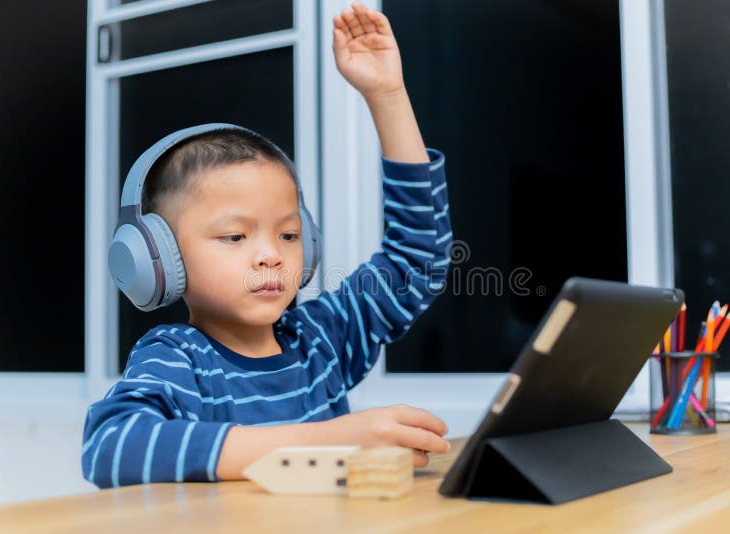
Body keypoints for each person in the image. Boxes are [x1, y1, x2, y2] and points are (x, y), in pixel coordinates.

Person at [82, 2, 453, 488]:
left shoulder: (323, 340)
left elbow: (415, 261)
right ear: (158, 258)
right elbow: (111, 447)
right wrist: (332, 442)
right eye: (235, 236)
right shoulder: (177, 359)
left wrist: (387, 95)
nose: (271, 254)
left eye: (290, 234)